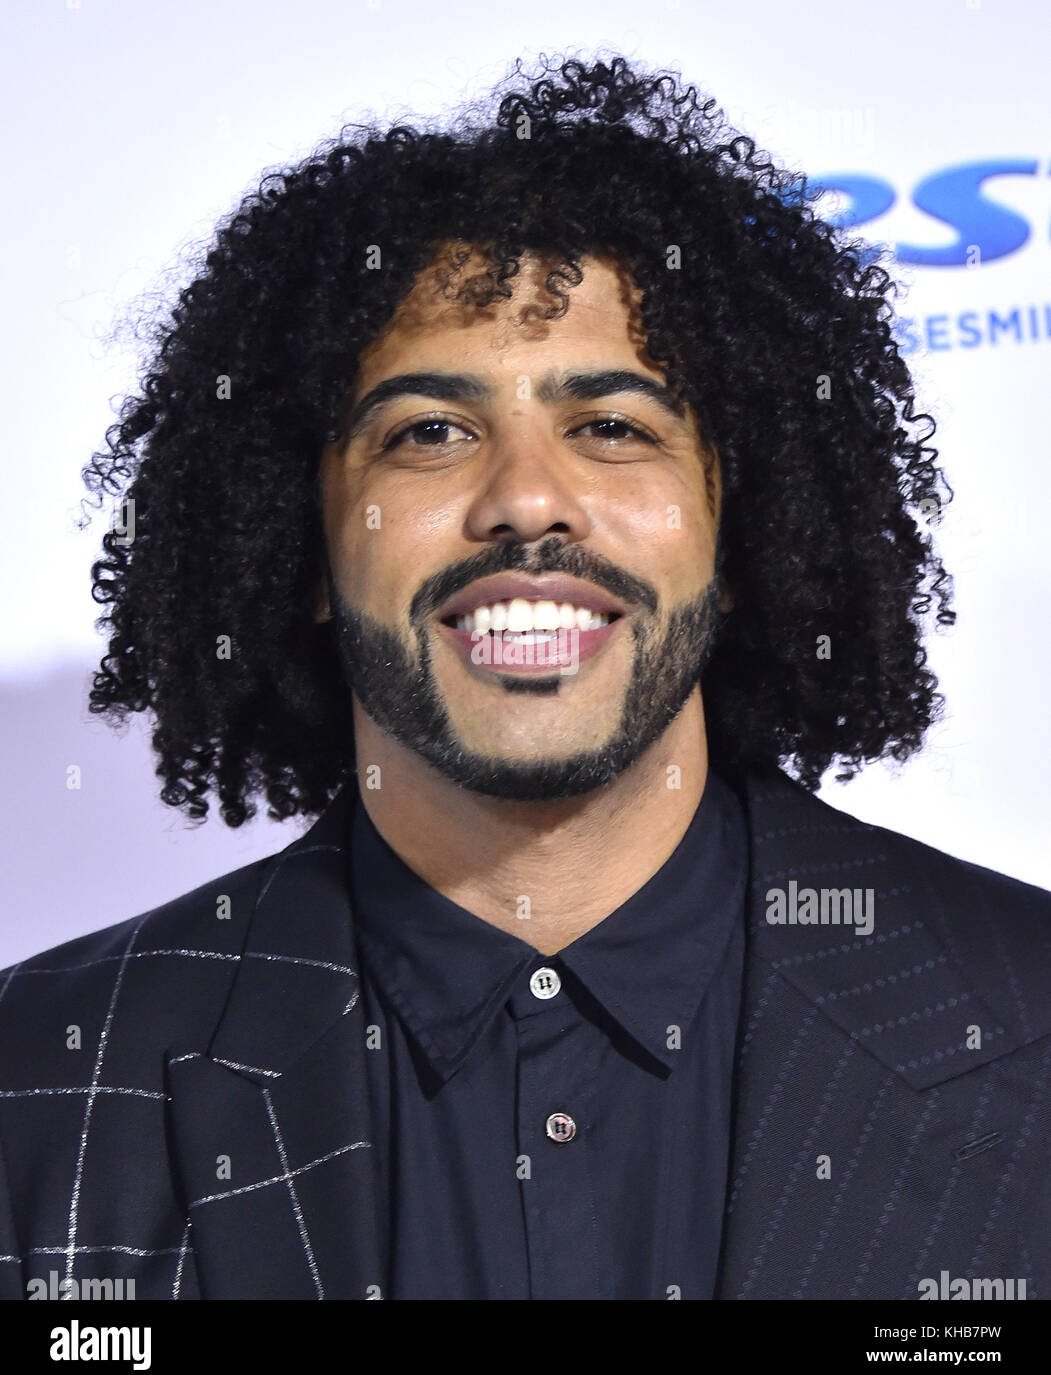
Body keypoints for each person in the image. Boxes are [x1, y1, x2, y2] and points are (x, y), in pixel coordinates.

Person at [1, 53, 1048, 1302]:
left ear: (739, 524)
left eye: (611, 425)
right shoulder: (40, 1072)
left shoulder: (1027, 1013)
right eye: (428, 433)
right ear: (304, 549)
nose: (526, 501)